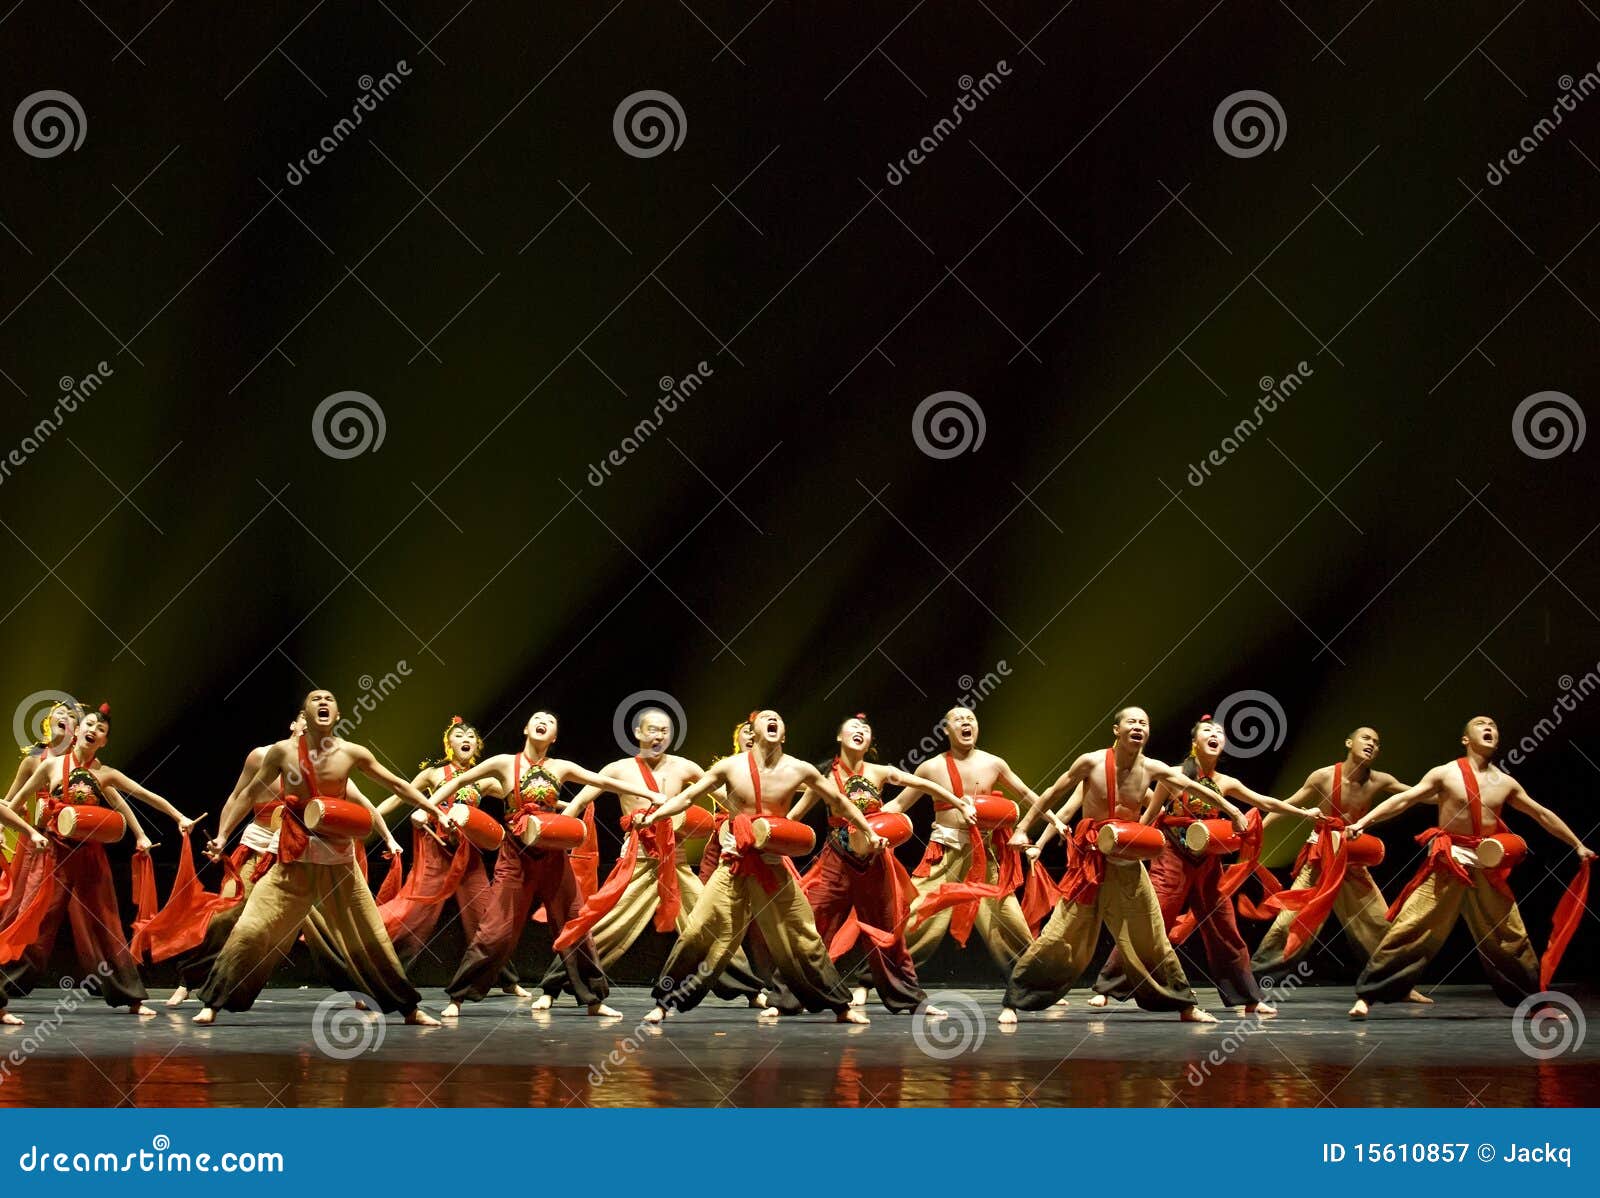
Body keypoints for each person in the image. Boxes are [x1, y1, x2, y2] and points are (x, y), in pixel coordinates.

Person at [192, 689, 446, 1026]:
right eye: (315, 699)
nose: (323, 702)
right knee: (251, 929)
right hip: (292, 862)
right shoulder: (282, 753)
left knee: (371, 937)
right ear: (303, 714)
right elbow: (249, 794)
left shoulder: (351, 753)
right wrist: (224, 835)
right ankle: (213, 1002)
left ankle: (409, 1009)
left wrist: (433, 810)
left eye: (329, 699)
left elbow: (396, 784)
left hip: (340, 864)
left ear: (338, 714)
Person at [637, 710, 888, 1025]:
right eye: (766, 717)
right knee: (699, 930)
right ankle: (664, 1003)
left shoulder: (800, 769)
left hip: (771, 865)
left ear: (782, 735)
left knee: (803, 934)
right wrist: (656, 817)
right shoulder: (730, 767)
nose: (773, 720)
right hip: (733, 865)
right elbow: (688, 797)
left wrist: (870, 831)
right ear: (752, 732)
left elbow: (840, 801)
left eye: (779, 719)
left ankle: (840, 1007)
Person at [1346, 716, 1596, 1018]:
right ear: (1466, 739)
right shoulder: (1446, 774)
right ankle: (1368, 997)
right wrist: (1363, 822)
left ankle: (1535, 1005)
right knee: (1409, 928)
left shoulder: (1505, 783)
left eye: (1494, 725)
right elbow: (1404, 800)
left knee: (1511, 936)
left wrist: (1577, 844)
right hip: (1447, 864)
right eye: (1481, 724)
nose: (1490, 727)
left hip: (1486, 868)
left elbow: (1542, 815)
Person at [1086, 715, 1321, 1015]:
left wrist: (1303, 813)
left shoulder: (1226, 782)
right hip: (1171, 856)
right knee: (1150, 922)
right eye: (1208, 731)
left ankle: (1247, 997)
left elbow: (1265, 802)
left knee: (1224, 927)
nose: (1215, 735)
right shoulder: (1172, 775)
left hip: (1209, 862)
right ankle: (1108, 986)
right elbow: (1149, 817)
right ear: (1194, 742)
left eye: (1220, 733)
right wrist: (1128, 849)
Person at [538, 706, 769, 1008]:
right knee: (605, 927)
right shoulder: (617, 769)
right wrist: (551, 832)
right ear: (637, 732)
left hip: (676, 861)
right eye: (653, 729)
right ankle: (552, 988)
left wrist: (753, 819)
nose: (659, 735)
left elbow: (723, 797)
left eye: (665, 731)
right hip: (638, 861)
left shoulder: (685, 767)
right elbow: (580, 801)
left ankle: (751, 991)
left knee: (712, 923)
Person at [435, 711, 659, 1019]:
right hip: (515, 855)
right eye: (537, 718)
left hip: (552, 855)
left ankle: (594, 1000)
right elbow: (461, 779)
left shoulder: (560, 767)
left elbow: (602, 780)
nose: (543, 721)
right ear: (527, 728)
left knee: (574, 924)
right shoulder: (503, 763)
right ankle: (458, 997)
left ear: (553, 737)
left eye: (551, 721)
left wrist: (648, 793)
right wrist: (433, 808)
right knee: (496, 930)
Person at [1000, 707, 1216, 1024]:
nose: (1139, 726)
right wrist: (1023, 831)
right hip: (1090, 863)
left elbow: (1193, 787)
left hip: (1127, 862)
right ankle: (1014, 1001)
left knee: (1152, 934)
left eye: (1145, 722)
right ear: (1116, 729)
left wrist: (1233, 812)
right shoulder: (1091, 763)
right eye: (1132, 721)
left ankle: (1184, 1004)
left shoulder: (1150, 769)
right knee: (1060, 935)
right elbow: (1052, 794)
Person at [0, 705, 195, 1020]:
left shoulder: (105, 774)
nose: (94, 730)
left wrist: (179, 817)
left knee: (106, 924)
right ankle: (0, 999)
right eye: (89, 723)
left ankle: (131, 997)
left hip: (91, 857)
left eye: (101, 729)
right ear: (77, 731)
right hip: (54, 855)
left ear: (103, 741)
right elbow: (15, 802)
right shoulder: (50, 767)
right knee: (35, 923)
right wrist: (15, 828)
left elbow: (145, 796)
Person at [790, 713, 966, 1014]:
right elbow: (794, 816)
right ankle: (789, 1000)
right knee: (814, 925)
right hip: (837, 856)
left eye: (866, 729)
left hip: (876, 856)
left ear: (869, 741)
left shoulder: (880, 771)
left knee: (888, 930)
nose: (860, 730)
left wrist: (958, 801)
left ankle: (912, 1001)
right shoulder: (823, 778)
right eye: (854, 726)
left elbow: (922, 783)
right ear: (838, 737)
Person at [1247, 727, 1429, 1006]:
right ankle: (1253, 984)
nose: (1371, 744)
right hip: (1320, 860)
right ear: (1349, 742)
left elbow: (1417, 794)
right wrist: (1257, 829)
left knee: (1379, 924)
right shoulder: (1322, 777)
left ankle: (1398, 986)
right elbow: (1289, 804)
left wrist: (1453, 794)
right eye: (1366, 738)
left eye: (1377, 743)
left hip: (1352, 862)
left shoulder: (1380, 780)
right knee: (1289, 923)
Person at [373, 717, 527, 999]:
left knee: (485, 917)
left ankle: (507, 979)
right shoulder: (432, 775)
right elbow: (399, 796)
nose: (465, 738)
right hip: (437, 854)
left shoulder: (484, 779)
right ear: (450, 744)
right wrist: (368, 815)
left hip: (468, 856)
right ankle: (388, 980)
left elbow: (520, 796)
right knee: (416, 916)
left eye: (471, 735)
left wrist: (564, 806)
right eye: (459, 735)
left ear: (476, 745)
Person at [897, 707, 1028, 981]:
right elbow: (900, 803)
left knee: (1008, 919)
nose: (966, 723)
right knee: (916, 913)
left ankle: (1033, 981)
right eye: (959, 719)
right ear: (946, 730)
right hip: (943, 852)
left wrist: (1053, 821)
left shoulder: (994, 763)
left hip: (985, 854)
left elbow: (1027, 793)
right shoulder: (931, 767)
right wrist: (865, 822)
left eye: (971, 719)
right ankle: (876, 978)